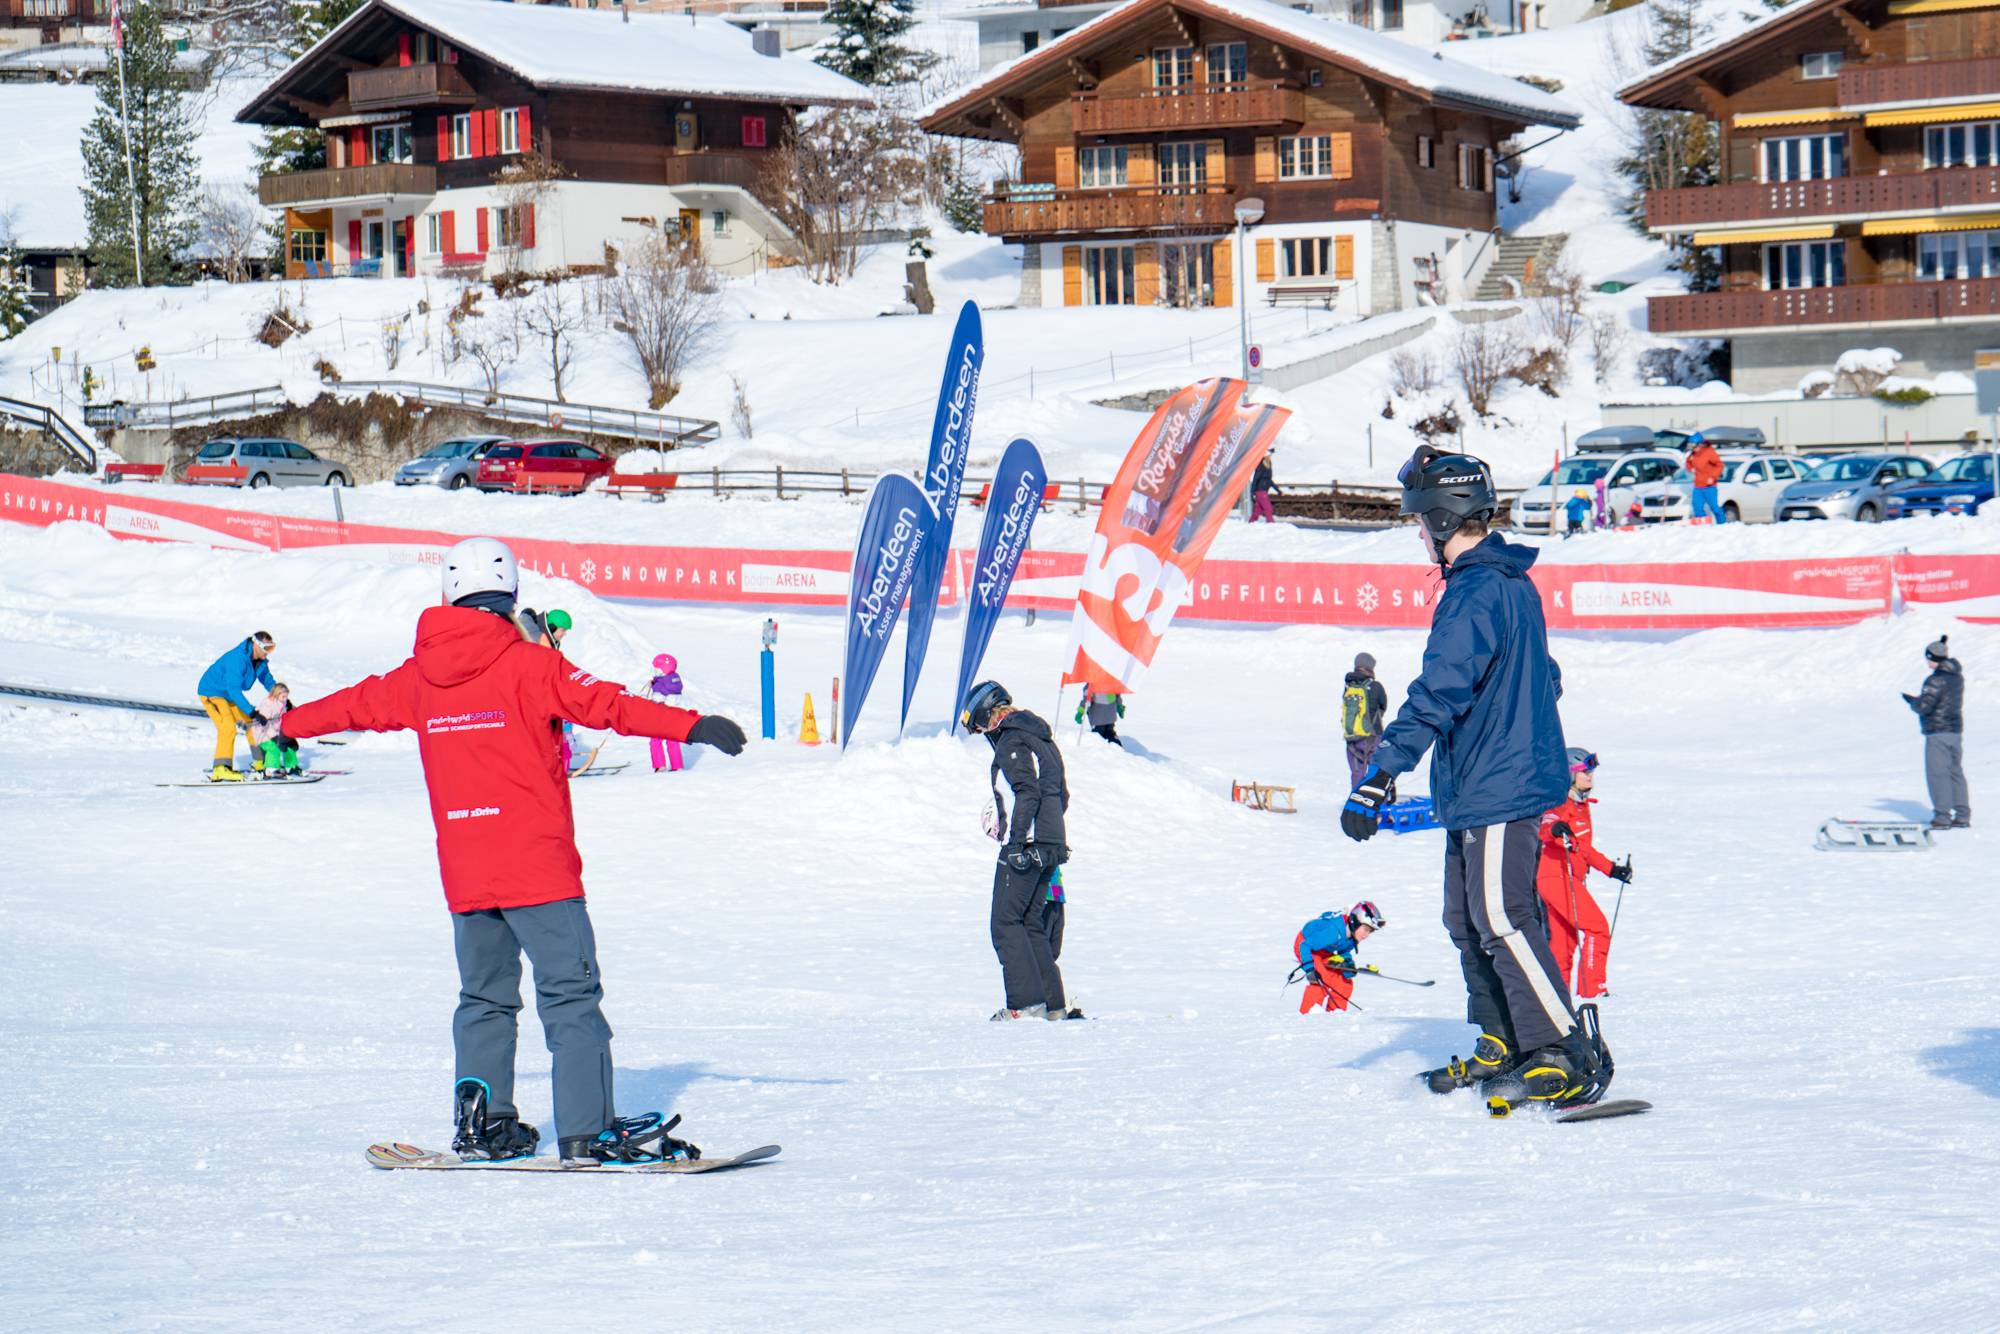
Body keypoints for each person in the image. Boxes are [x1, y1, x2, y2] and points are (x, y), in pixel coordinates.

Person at [275, 537, 749, 1165]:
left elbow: (351, 705)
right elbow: (608, 704)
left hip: (467, 871)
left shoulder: (416, 678)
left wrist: (286, 724)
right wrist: (689, 725)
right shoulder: (533, 667)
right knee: (571, 996)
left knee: (484, 998)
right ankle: (586, 1130)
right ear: (513, 595)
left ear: (447, 596)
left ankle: (484, 1124)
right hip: (538, 868)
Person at [1339, 445, 1612, 1111]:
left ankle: (1562, 1050)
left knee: (1502, 914)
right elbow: (1543, 675)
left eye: (1417, 522)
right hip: (1483, 781)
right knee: (1466, 918)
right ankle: (1504, 1037)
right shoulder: (1508, 584)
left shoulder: (1475, 591)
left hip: (1498, 782)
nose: (1416, 534)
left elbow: (1438, 691)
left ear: (1437, 518)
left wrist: (1381, 774)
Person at [962, 680, 1080, 1022]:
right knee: (1029, 923)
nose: (982, 733)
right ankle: (1051, 1005)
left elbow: (1027, 793)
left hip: (1028, 847)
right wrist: (1046, 833)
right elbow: (1060, 796)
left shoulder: (1012, 740)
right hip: (1048, 843)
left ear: (990, 713)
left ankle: (1025, 1006)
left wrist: (1017, 841)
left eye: (980, 725)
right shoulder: (1040, 739)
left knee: (1005, 923)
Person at [1536, 747, 1633, 1000]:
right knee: (1598, 929)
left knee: (1562, 947)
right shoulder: (1559, 802)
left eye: (1590, 771)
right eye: (1584, 772)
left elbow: (1584, 849)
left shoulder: (1580, 807)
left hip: (1566, 878)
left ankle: (1558, 1003)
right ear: (1568, 775)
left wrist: (1611, 869)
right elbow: (1546, 824)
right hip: (1556, 877)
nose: (1590, 776)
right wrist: (1556, 829)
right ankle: (1593, 992)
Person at [1905, 635, 1968, 830]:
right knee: (1955, 772)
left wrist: (1912, 701)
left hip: (1937, 732)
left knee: (1937, 774)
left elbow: (1924, 707)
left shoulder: (1934, 680)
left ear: (1933, 658)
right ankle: (1962, 815)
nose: (1927, 661)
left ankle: (1942, 817)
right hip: (1954, 732)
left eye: (1928, 658)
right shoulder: (1956, 677)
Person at [197, 630, 277, 782]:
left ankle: (260, 761)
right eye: (267, 648)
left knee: (251, 725)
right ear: (256, 645)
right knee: (227, 727)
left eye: (271, 648)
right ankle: (221, 769)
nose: (268, 652)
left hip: (228, 694)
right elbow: (234, 690)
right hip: (212, 693)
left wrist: (282, 698)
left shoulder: (260, 661)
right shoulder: (237, 659)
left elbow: (267, 680)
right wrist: (252, 711)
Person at [1292, 901, 1386, 1014]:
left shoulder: (1353, 934)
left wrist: (1347, 964)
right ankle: (1308, 1016)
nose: (1366, 935)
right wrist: (1309, 968)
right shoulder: (1333, 932)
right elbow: (1305, 946)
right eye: (1365, 929)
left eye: (1370, 932)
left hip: (1324, 949)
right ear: (1355, 922)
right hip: (1306, 946)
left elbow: (1343, 950)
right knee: (1321, 979)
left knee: (1344, 982)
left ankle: (1336, 1016)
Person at [1341, 652, 1389, 787]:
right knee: (1376, 770)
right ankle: (1378, 801)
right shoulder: (1375, 686)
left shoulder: (1349, 686)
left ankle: (1356, 801)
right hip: (1373, 736)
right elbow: (1383, 706)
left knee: (1357, 772)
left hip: (1352, 737)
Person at [248, 684, 303, 778]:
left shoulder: (283, 704)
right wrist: (274, 737)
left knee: (288, 746)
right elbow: (263, 725)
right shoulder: (268, 705)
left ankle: (291, 766)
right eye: (283, 696)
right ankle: (270, 769)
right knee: (274, 748)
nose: (285, 699)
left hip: (276, 732)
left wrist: (288, 736)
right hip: (262, 734)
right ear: (277, 695)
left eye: (286, 696)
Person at [649, 653, 685, 773]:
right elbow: (670, 688)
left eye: (657, 668)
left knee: (655, 740)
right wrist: (655, 683)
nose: (655, 670)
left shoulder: (662, 684)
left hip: (660, 715)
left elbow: (659, 695)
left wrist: (655, 689)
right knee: (672, 740)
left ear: (663, 668)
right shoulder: (674, 680)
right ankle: (677, 765)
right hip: (673, 716)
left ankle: (660, 766)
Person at [1687, 434, 1726, 524]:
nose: (1691, 448)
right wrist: (1690, 467)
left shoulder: (1709, 452)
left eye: (1693, 445)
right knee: (1697, 507)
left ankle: (1723, 524)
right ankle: (1703, 525)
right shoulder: (1693, 454)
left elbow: (1720, 465)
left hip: (1710, 487)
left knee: (1714, 508)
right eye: (1690, 445)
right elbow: (1688, 463)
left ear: (1700, 444)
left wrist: (1712, 477)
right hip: (1698, 486)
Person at [1250, 450, 1280, 523]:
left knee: (1257, 511)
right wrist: (1252, 492)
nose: (1270, 457)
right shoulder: (1261, 466)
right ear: (1266, 456)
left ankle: (1251, 523)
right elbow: (1255, 479)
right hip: (1260, 491)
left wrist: (1278, 490)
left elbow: (1269, 481)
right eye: (1269, 456)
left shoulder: (1268, 466)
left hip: (1264, 490)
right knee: (1268, 508)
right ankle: (1271, 524)